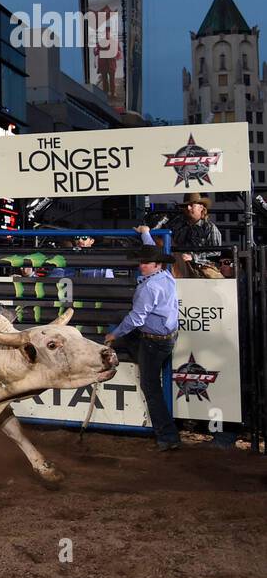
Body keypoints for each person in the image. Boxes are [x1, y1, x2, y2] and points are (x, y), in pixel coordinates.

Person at [105, 227, 181, 451]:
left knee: (150, 386)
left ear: (157, 265)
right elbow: (152, 251)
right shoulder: (165, 276)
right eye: (142, 261)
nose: (142, 265)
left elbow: (136, 319)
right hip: (167, 336)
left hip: (153, 341)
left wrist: (114, 334)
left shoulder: (148, 288)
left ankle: (167, 436)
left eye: (147, 263)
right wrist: (146, 233)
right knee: (123, 321)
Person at [167, 193, 223, 278]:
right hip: (177, 262)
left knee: (216, 282)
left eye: (191, 205)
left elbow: (216, 252)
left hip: (203, 265)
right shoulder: (176, 223)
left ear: (201, 207)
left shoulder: (210, 228)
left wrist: (193, 257)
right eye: (186, 206)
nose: (188, 208)